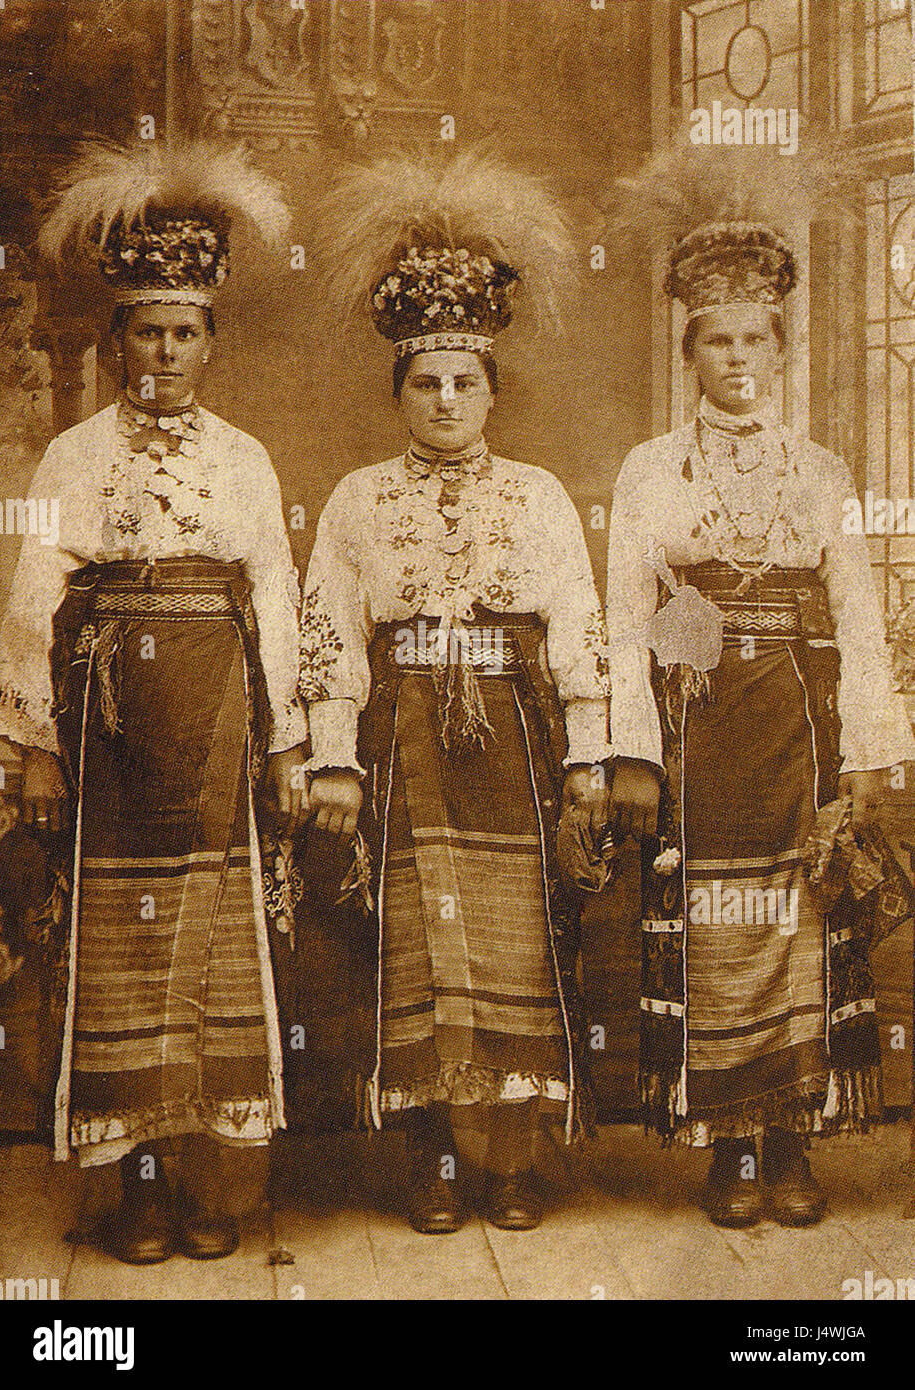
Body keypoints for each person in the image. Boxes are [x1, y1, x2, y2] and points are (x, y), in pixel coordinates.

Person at [0, 141, 308, 1262]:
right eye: (145, 330)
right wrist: (31, 747)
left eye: (185, 330)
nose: (163, 350)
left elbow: (274, 596)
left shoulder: (247, 463)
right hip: (109, 736)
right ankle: (138, 1190)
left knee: (217, 947)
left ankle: (215, 1184)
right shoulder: (69, 458)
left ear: (211, 340)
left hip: (218, 731)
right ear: (117, 338)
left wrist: (290, 745)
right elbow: (34, 603)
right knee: (117, 945)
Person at [297, 152, 611, 1233]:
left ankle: (510, 1158)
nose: (442, 399)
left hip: (511, 745)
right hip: (403, 743)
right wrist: (331, 755)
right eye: (423, 382)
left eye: (462, 381)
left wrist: (588, 759)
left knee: (517, 937)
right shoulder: (355, 500)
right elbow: (326, 637)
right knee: (419, 942)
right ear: (398, 393)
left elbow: (579, 626)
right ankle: (431, 1151)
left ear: (491, 390)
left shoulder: (536, 498)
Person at [605, 141, 915, 1228]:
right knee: (713, 919)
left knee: (796, 916)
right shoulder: (649, 470)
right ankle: (724, 1146)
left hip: (798, 716)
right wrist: (631, 752)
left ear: (779, 349)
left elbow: (861, 620)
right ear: (689, 351)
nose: (736, 357)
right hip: (698, 721)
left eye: (754, 339)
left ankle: (789, 1141)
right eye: (716, 340)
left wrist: (873, 750)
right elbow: (621, 619)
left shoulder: (822, 472)